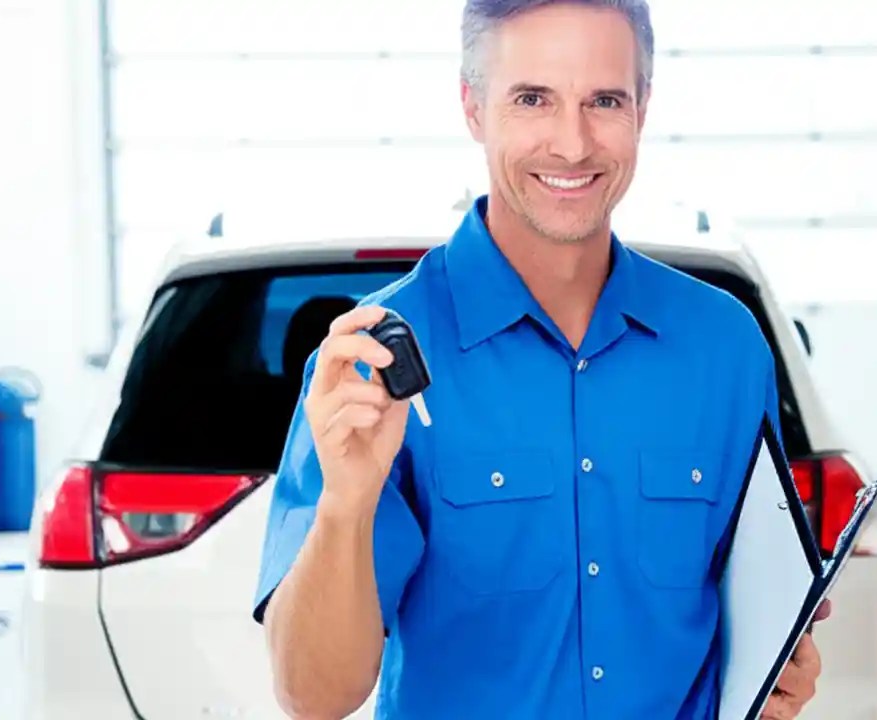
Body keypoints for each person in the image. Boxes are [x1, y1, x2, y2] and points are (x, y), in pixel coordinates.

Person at [252, 1, 829, 718]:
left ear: (643, 108)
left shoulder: (725, 348)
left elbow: (746, 614)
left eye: (605, 101)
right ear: (473, 108)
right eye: (532, 99)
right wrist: (345, 504)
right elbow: (313, 696)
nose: (572, 143)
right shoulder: (375, 362)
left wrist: (775, 672)